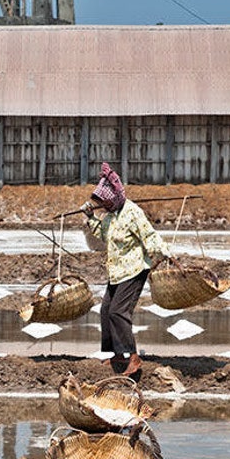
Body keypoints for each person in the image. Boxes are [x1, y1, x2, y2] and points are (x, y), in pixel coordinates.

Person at [81, 162, 170, 379]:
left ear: (113, 199)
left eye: (104, 202)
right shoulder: (111, 215)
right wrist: (91, 218)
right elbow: (103, 235)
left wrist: (163, 253)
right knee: (105, 311)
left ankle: (133, 357)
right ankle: (116, 354)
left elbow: (149, 235)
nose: (103, 205)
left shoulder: (132, 212)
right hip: (117, 272)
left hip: (134, 270)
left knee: (118, 312)